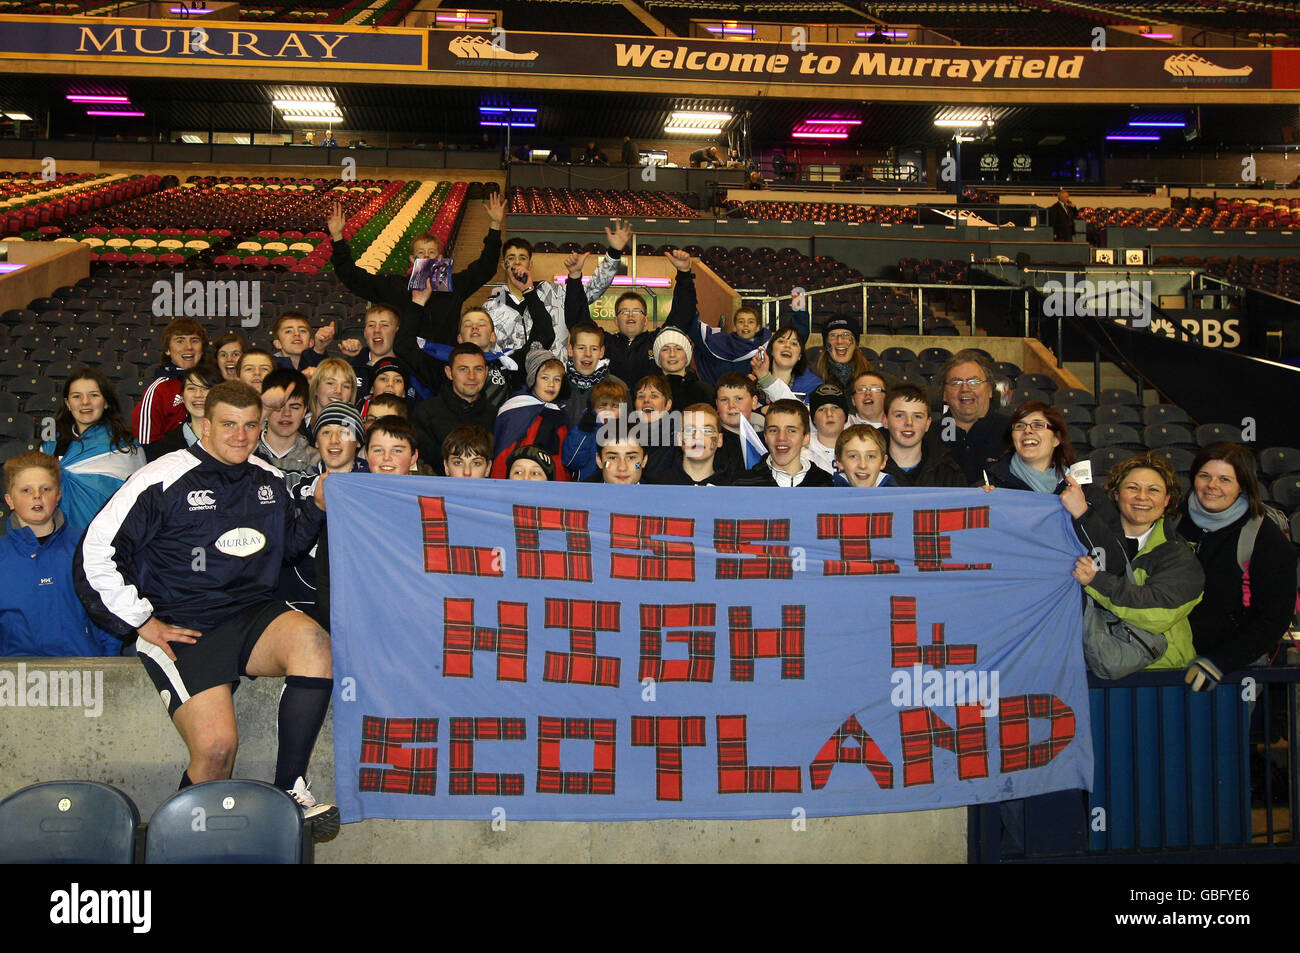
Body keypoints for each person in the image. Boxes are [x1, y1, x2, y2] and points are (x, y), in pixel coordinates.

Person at [75, 381, 337, 834]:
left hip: (251, 615)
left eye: (250, 425)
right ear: (204, 425)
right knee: (216, 752)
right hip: (184, 626)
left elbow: (286, 550)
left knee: (314, 640)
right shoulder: (162, 476)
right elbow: (95, 551)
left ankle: (290, 786)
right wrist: (141, 620)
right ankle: (171, 846)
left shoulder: (268, 480)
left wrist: (314, 506)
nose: (240, 435)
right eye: (229, 424)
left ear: (262, 426)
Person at [1176, 443, 1298, 688]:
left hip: (1232, 669)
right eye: (1205, 476)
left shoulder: (1265, 539)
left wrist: (1219, 662)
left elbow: (1273, 619)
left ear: (1242, 485)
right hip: (1169, 658)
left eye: (1224, 479)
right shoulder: (1172, 520)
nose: (1212, 486)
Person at [1070, 452, 1204, 672]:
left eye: (1153, 490)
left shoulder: (1178, 555)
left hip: (1162, 677)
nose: (1142, 497)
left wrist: (1096, 581)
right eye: (1132, 488)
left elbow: (1157, 613)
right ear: (1116, 494)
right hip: (1093, 673)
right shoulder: (1085, 541)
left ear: (1167, 499)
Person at [327, 192, 505, 345]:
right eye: (421, 253)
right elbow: (354, 278)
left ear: (441, 258)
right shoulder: (394, 287)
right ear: (412, 259)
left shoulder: (454, 285)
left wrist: (495, 226)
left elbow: (486, 267)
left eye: (432, 253)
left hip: (441, 361)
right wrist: (337, 237)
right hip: (405, 360)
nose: (427, 257)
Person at [1, 452, 120, 657]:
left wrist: (107, 667)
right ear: (9, 500)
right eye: (26, 490)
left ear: (58, 496)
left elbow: (111, 614)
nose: (37, 496)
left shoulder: (87, 548)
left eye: (45, 489)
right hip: (16, 678)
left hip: (84, 673)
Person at [486, 223, 631, 357]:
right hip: (512, 382)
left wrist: (614, 253)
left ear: (530, 263)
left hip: (555, 379)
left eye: (522, 258)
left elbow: (593, 290)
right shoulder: (491, 307)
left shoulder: (556, 293)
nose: (517, 262)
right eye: (511, 258)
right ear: (503, 264)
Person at [42, 367, 145, 531]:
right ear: (68, 404)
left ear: (106, 402)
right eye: (76, 396)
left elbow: (139, 498)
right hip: (56, 538)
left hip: (106, 538)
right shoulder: (51, 443)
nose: (85, 402)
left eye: (94, 395)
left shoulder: (125, 445)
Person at [663, 249, 771, 386]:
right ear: (734, 325)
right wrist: (685, 277)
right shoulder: (718, 342)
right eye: (741, 321)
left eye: (750, 322)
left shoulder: (766, 347)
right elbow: (689, 321)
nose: (745, 325)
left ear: (758, 327)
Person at [412, 343, 498, 473]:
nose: (471, 376)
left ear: (486, 372)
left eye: (478, 369)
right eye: (463, 369)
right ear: (449, 372)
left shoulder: (497, 416)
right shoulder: (425, 413)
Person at [490, 348, 571, 480]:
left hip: (553, 491)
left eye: (557, 379)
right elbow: (503, 456)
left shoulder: (560, 414)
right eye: (545, 378)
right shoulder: (517, 411)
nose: (551, 384)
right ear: (533, 379)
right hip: (519, 486)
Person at [938, 349, 1010, 485]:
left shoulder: (1013, 432)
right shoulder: (928, 434)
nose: (965, 389)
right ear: (944, 395)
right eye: (956, 383)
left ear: (990, 390)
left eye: (974, 382)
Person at [133, 318, 206, 447]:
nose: (188, 347)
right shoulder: (158, 390)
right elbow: (146, 445)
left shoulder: (215, 385)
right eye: (180, 341)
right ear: (167, 349)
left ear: (202, 348)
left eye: (194, 340)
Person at [731, 399, 834, 488]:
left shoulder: (826, 484)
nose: (781, 438)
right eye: (773, 430)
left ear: (806, 438)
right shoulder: (742, 483)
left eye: (791, 431)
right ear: (765, 436)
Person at [881, 385, 965, 488]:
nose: (909, 423)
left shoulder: (948, 472)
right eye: (899, 415)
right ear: (885, 421)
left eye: (917, 416)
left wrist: (982, 495)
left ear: (927, 424)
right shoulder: (868, 469)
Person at [254, 368, 318, 492]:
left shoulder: (317, 460)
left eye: (295, 407)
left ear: (305, 411)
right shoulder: (247, 453)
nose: (286, 413)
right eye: (279, 407)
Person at [144, 360, 220, 462]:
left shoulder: (233, 439)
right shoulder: (165, 446)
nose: (198, 395)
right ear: (182, 397)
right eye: (191, 388)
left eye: (206, 388)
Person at [561, 378, 626, 483]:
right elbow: (570, 462)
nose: (608, 412)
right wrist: (583, 432)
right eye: (603, 406)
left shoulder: (626, 434)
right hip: (585, 486)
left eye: (614, 406)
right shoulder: (583, 431)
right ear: (593, 408)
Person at [658, 402, 731, 486]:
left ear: (719, 440)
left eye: (707, 431)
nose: (697, 436)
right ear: (679, 439)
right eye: (689, 430)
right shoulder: (658, 487)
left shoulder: (730, 492)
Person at [751, 323, 821, 405]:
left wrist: (766, 380)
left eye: (794, 343)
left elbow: (802, 415)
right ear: (771, 350)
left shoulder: (813, 386)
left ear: (799, 356)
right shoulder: (751, 385)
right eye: (781, 341)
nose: (787, 345)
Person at [714, 372, 766, 475]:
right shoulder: (711, 443)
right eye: (724, 400)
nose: (731, 405)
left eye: (739, 399)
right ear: (717, 404)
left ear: (754, 402)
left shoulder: (767, 440)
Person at [652, 326, 713, 408]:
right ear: (658, 358)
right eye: (665, 349)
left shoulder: (706, 392)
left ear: (687, 356)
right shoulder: (649, 391)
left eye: (678, 349)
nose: (672, 354)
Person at [815, 315, 872, 392]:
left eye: (846, 335)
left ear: (856, 343)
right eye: (833, 335)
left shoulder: (873, 376)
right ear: (826, 345)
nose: (839, 341)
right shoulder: (812, 376)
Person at [805, 384, 849, 475]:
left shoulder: (859, 446)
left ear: (845, 416)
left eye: (836, 408)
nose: (829, 414)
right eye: (821, 409)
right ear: (813, 418)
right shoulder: (802, 450)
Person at [308, 357, 358, 423]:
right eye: (331, 383)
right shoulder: (297, 425)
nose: (339, 391)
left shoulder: (354, 430)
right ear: (316, 388)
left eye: (346, 386)